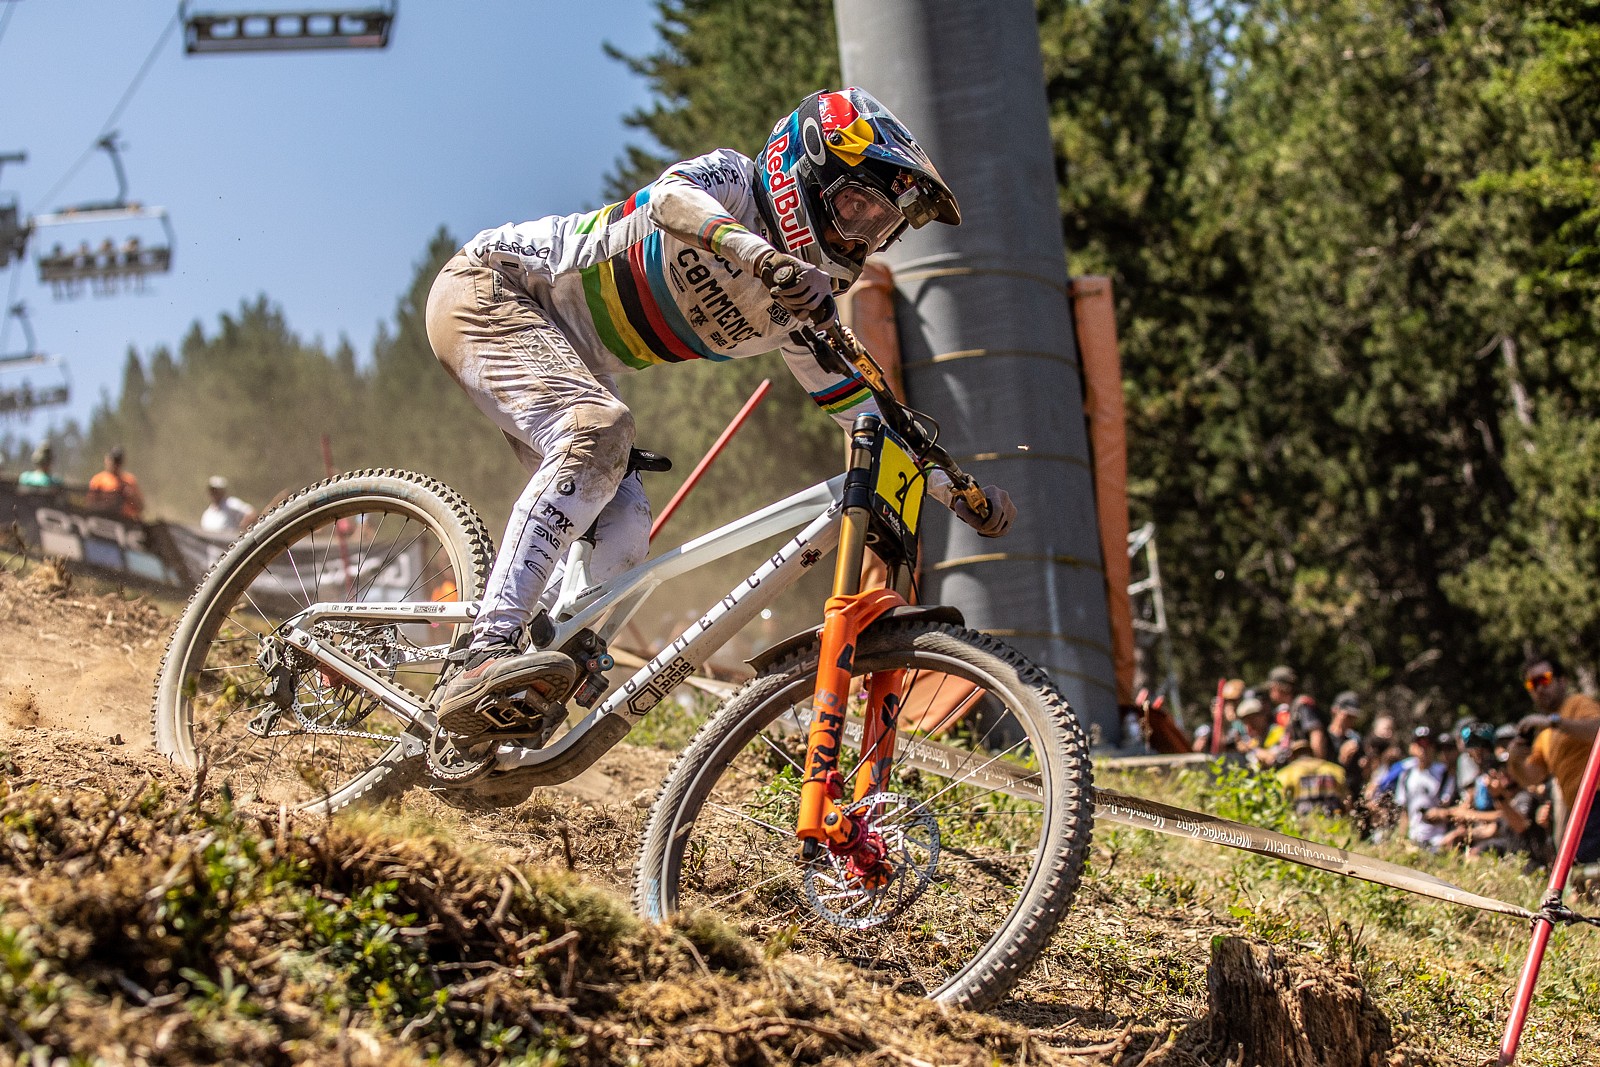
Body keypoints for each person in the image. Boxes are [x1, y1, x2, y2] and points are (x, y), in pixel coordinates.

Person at [424, 87, 1012, 739]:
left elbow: (863, 412)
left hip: (564, 359)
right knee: (600, 431)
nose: (860, 237)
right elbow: (669, 200)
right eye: (855, 207)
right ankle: (484, 650)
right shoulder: (735, 182)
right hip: (490, 289)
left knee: (625, 526)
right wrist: (763, 256)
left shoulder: (792, 312)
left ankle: (523, 683)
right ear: (809, 171)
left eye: (877, 226)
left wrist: (952, 489)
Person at [1507, 655, 1600, 863]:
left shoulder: (1578, 704)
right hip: (1580, 810)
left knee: (1589, 873)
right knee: (1586, 875)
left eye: (1544, 680)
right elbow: (1532, 777)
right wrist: (1515, 758)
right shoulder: (1545, 736)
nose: (1539, 688)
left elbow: (1597, 730)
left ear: (1562, 681)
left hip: (1596, 798)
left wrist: (1554, 722)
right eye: (1533, 684)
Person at [1393, 726, 1458, 850]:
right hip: (1413, 838)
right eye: (1420, 744)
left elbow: (1450, 807)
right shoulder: (1406, 774)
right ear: (1413, 747)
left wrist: (1439, 813)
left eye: (1428, 744)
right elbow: (1404, 810)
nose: (1424, 749)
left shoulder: (1444, 773)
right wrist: (1400, 838)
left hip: (1439, 840)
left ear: (1434, 747)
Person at [85, 446, 144, 521]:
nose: (116, 464)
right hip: (103, 520)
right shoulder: (98, 480)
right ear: (107, 460)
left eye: (118, 461)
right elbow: (89, 504)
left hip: (126, 521)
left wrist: (131, 496)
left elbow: (141, 507)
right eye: (114, 460)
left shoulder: (129, 481)